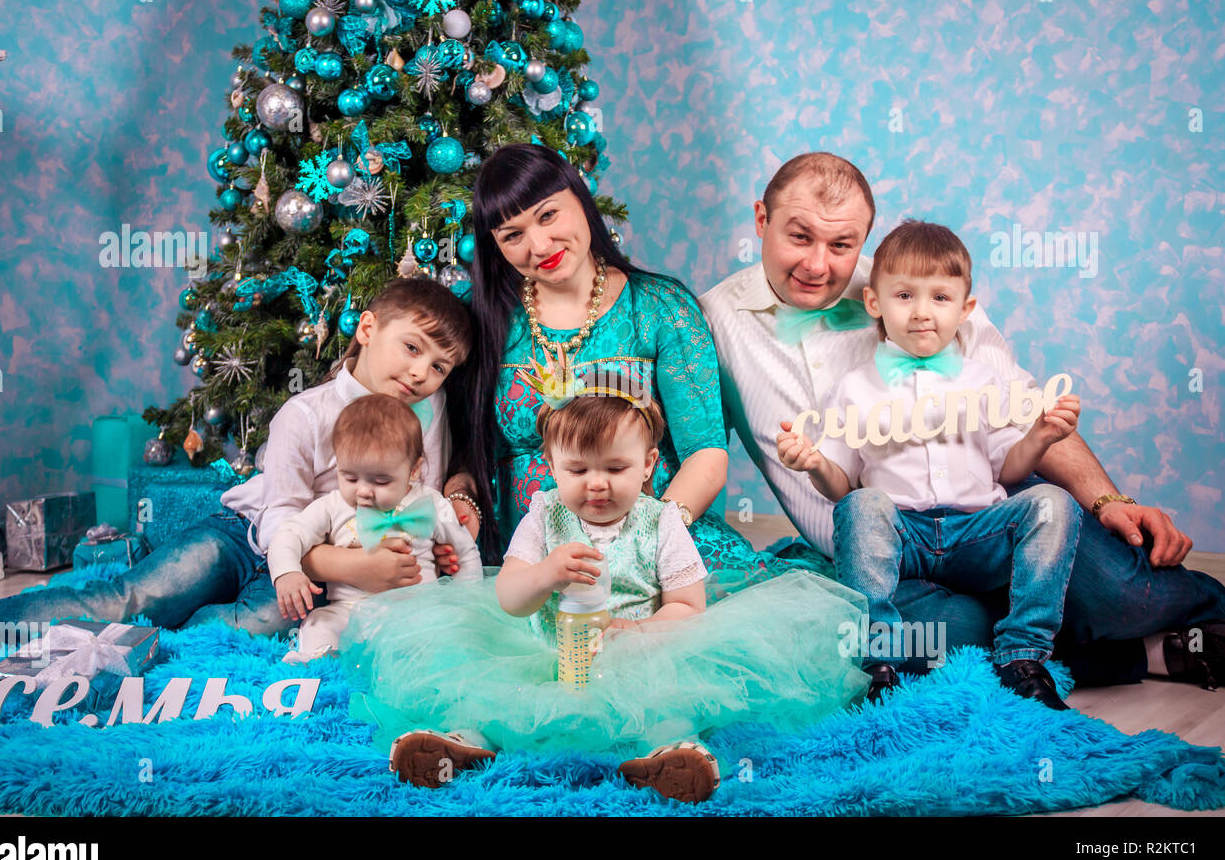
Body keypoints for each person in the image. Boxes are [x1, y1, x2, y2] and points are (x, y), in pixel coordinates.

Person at [701, 152, 1225, 688]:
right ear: (761, 219)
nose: (818, 264)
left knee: (1120, 594)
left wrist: (1109, 501)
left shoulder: (922, 286)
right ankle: (1120, 653)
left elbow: (1027, 409)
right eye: (800, 237)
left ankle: (1211, 614)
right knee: (914, 638)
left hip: (983, 517)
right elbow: (696, 449)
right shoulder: (711, 320)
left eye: (841, 245)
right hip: (879, 556)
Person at [341, 381, 869, 804]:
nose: (596, 484)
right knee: (489, 693)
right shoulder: (544, 515)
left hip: (641, 650)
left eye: (615, 468)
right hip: (543, 650)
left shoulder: (660, 521)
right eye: (578, 469)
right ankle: (460, 743)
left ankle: (673, 754)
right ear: (551, 467)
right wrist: (546, 573)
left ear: (648, 465)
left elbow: (689, 606)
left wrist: (637, 632)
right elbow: (509, 597)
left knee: (667, 698)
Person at [0, 277, 474, 635]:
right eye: (411, 348)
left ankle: (180, 634)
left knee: (256, 627)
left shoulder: (429, 412)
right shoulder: (307, 414)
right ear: (367, 328)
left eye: (439, 367)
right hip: (249, 532)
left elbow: (415, 496)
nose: (420, 374)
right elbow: (282, 515)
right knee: (139, 598)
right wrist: (350, 565)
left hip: (327, 566)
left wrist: (433, 546)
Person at [437, 141, 838, 600]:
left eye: (549, 216)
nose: (539, 245)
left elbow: (706, 455)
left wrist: (646, 541)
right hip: (533, 560)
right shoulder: (480, 319)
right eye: (513, 235)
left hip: (660, 540)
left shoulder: (659, 307)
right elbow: (466, 457)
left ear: (581, 202)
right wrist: (462, 501)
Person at [777, 220, 1084, 707]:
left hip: (977, 531)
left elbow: (1008, 472)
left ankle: (1022, 654)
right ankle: (878, 662)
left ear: (966, 309)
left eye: (940, 298)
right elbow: (841, 488)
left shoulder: (985, 381)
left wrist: (1042, 435)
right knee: (862, 505)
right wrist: (813, 462)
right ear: (875, 303)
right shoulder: (855, 387)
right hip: (905, 536)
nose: (922, 313)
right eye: (904, 296)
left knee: (1052, 502)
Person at [270, 394, 481, 663]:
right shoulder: (333, 505)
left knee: (441, 633)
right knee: (318, 624)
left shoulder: (430, 504)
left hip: (415, 611)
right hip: (349, 610)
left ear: (414, 470)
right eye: (349, 477)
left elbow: (465, 553)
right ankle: (320, 663)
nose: (363, 491)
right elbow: (289, 533)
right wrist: (287, 572)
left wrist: (467, 602)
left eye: (381, 481)